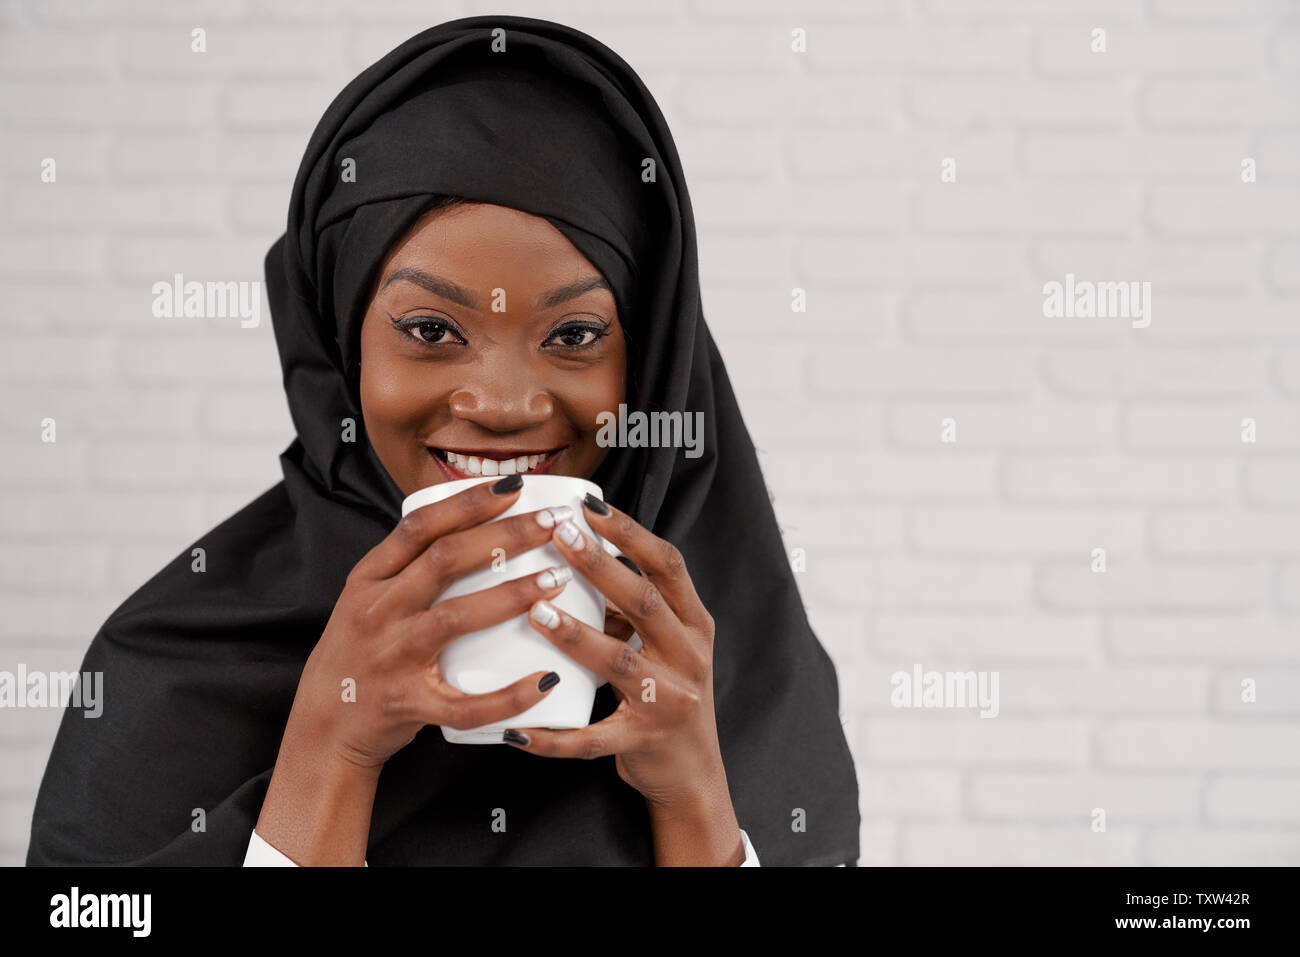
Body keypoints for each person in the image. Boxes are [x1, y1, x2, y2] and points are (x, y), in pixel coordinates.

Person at [26, 15, 860, 867]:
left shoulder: (749, 680)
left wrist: (696, 805)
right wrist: (331, 753)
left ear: (647, 364)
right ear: (341, 345)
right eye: (430, 328)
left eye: (573, 335)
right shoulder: (170, 675)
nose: (501, 404)